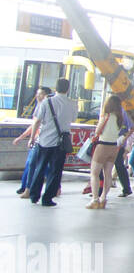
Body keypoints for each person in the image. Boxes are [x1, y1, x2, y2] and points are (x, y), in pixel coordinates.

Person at [25, 77, 77, 207]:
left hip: (44, 141)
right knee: (56, 171)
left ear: (55, 88)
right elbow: (73, 118)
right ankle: (48, 198)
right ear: (68, 89)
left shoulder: (46, 102)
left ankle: (34, 195)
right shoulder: (72, 104)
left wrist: (32, 138)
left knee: (40, 168)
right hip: (61, 143)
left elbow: (37, 121)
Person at [88, 95, 126, 210]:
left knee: (94, 173)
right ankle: (104, 198)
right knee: (108, 173)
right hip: (113, 147)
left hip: (103, 146)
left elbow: (98, 131)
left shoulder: (106, 116)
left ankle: (95, 199)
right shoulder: (120, 119)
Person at [14, 85, 50, 197]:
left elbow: (35, 124)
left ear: (45, 95)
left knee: (32, 164)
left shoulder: (43, 106)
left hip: (40, 141)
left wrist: (30, 138)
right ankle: (26, 187)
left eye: (40, 93)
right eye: (37, 93)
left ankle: (28, 189)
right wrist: (23, 137)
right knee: (41, 165)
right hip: (44, 140)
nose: (37, 96)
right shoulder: (43, 105)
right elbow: (33, 124)